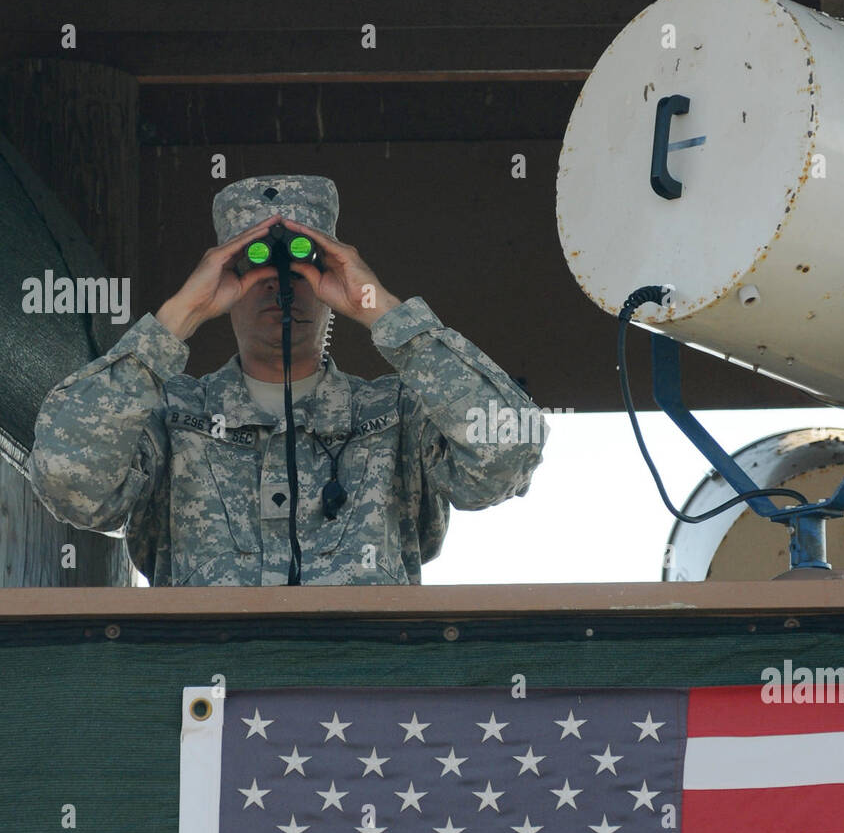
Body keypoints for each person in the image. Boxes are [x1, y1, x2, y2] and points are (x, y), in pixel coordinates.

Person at [27, 175, 548, 586]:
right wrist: (176, 318)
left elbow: (508, 451)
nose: (282, 286)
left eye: (304, 267)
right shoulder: (169, 417)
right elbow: (68, 478)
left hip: (368, 706)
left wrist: (384, 312)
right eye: (251, 268)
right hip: (203, 704)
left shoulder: (397, 415)